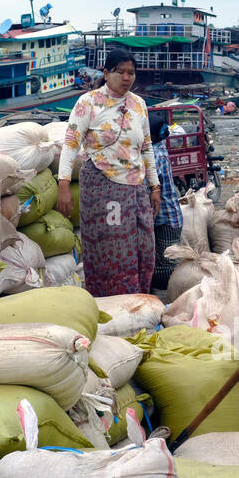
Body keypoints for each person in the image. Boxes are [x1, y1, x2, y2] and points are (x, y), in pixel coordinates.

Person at [56, 48, 160, 297]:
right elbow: (71, 143)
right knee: (114, 252)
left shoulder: (139, 105)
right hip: (104, 189)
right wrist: (63, 184)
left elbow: (146, 147)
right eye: (120, 72)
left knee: (144, 249)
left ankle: (139, 302)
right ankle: (111, 305)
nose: (126, 77)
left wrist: (154, 186)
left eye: (131, 73)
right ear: (106, 73)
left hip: (136, 189)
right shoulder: (89, 102)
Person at [148, 110, 183, 296]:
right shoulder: (159, 146)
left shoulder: (155, 155)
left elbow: (150, 184)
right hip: (163, 218)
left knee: (165, 266)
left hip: (166, 219)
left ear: (151, 135)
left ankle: (167, 302)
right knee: (161, 262)